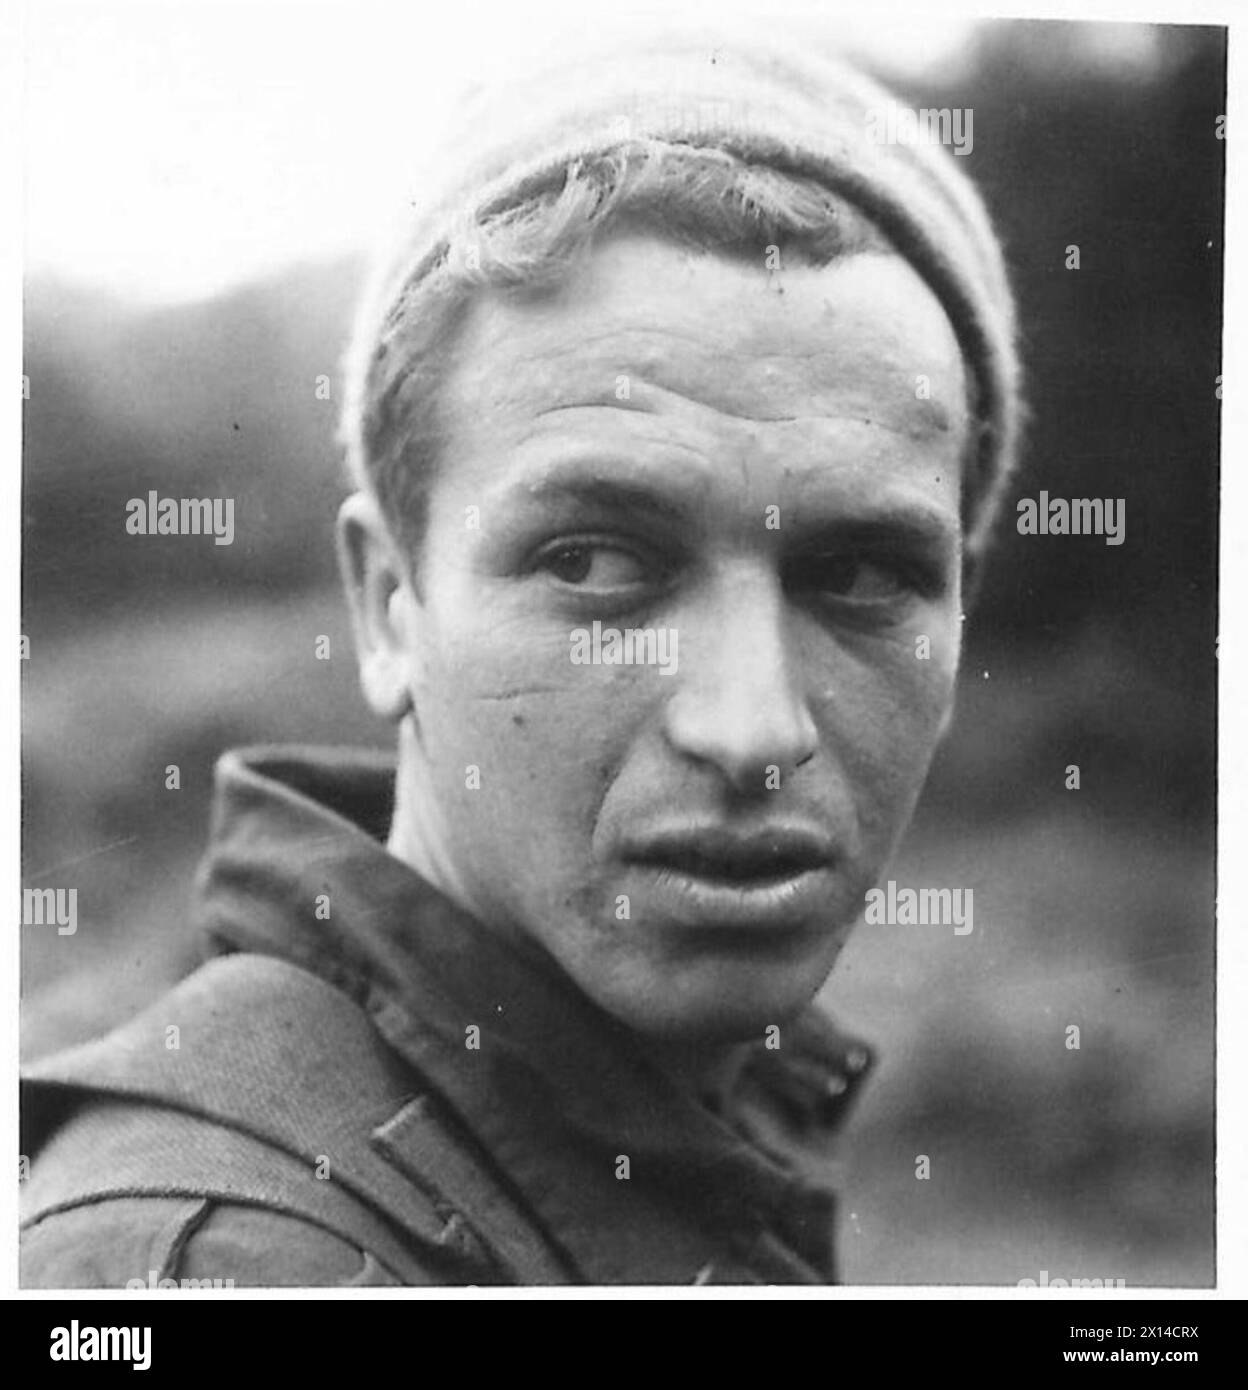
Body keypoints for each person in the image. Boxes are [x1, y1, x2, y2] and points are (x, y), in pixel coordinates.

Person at [20, 29, 1020, 1286]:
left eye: (864, 576)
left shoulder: (703, 1105)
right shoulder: (228, 1258)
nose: (753, 729)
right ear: (391, 606)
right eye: (597, 562)